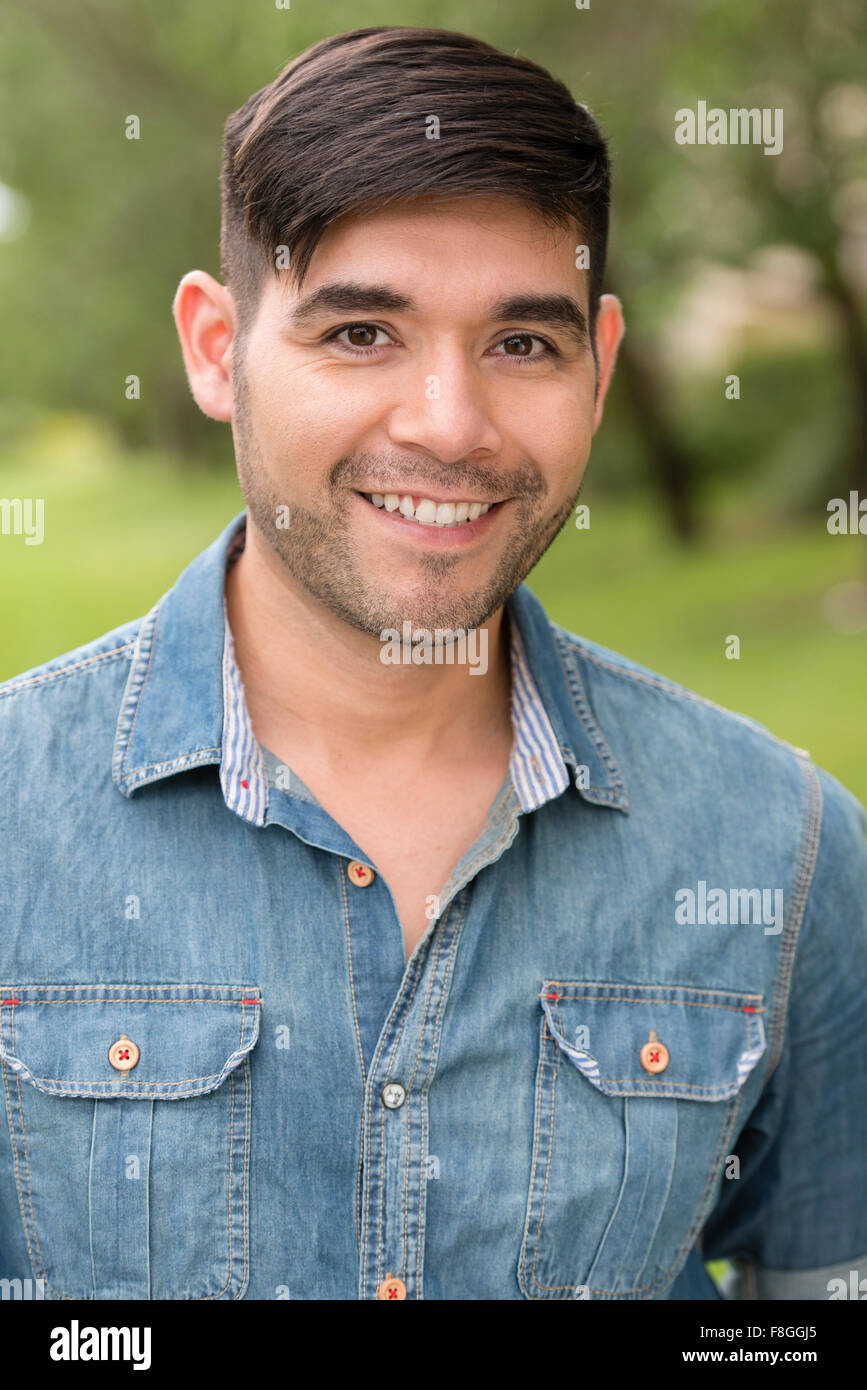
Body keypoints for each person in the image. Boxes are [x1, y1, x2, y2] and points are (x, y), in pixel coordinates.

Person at [1, 25, 864, 1303]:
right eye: (360, 333)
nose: (450, 425)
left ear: (602, 364)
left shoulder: (785, 852)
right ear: (212, 347)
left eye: (523, 343)